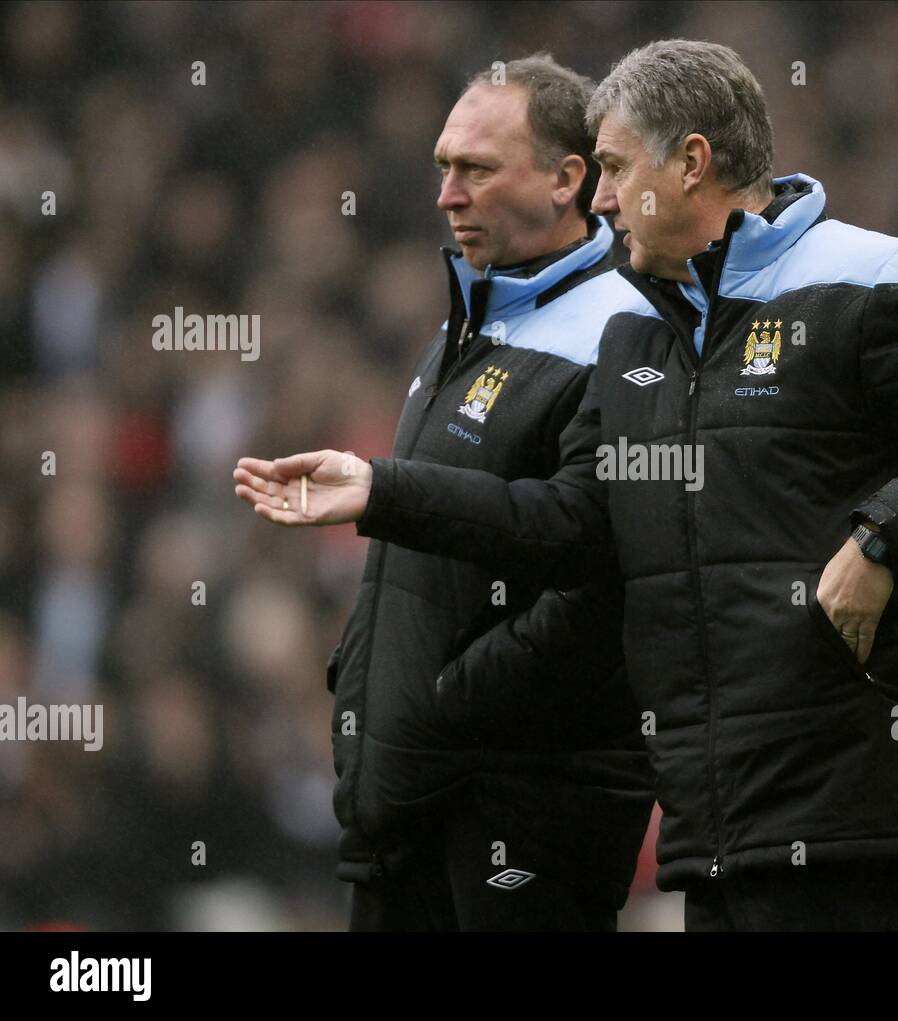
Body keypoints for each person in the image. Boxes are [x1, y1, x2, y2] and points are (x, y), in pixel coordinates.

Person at [237, 40, 898, 932]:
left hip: (851, 819)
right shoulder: (639, 334)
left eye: (612, 167)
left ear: (691, 162)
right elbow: (573, 523)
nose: (600, 199)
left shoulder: (867, 279)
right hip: (710, 828)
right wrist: (381, 489)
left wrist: (883, 535)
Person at [235, 54, 655, 932]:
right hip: (410, 797)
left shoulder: (624, 331)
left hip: (520, 813)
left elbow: (599, 565)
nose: (447, 195)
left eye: (476, 169)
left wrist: (446, 701)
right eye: (442, 167)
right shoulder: (471, 323)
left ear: (566, 179)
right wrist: (366, 686)